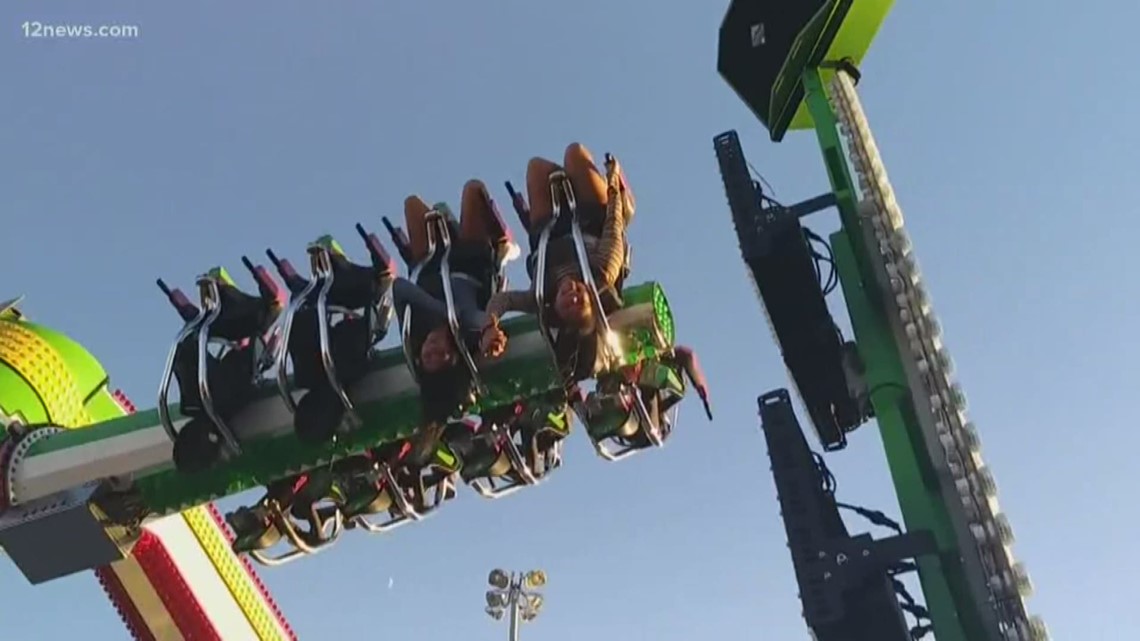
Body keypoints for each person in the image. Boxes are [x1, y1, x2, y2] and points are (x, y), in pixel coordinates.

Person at [480, 143, 635, 382]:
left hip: (548, 231)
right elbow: (613, 226)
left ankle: (566, 179)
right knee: (575, 153)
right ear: (592, 302)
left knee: (536, 167)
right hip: (591, 219)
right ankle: (621, 199)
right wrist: (613, 185)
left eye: (567, 306)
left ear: (558, 311)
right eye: (580, 302)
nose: (571, 294)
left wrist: (490, 325)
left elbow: (504, 300)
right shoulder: (603, 272)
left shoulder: (541, 296)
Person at [393, 180, 510, 461]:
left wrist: (441, 312)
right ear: (453, 358)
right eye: (439, 355)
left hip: (430, 267)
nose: (431, 347)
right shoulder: (464, 329)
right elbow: (481, 320)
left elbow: (399, 288)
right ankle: (502, 242)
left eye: (426, 355)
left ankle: (449, 227)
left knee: (411, 203)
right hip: (470, 262)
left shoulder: (416, 330)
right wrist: (487, 333)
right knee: (472, 189)